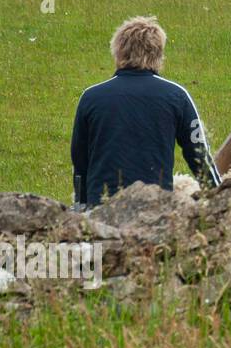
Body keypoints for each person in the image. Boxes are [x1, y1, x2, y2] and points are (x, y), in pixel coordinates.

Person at [71, 16, 219, 206]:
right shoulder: (177, 96)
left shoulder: (90, 97)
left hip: (102, 210)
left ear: (117, 52)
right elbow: (200, 155)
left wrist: (80, 209)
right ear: (158, 54)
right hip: (154, 210)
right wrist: (221, 200)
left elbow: (80, 164)